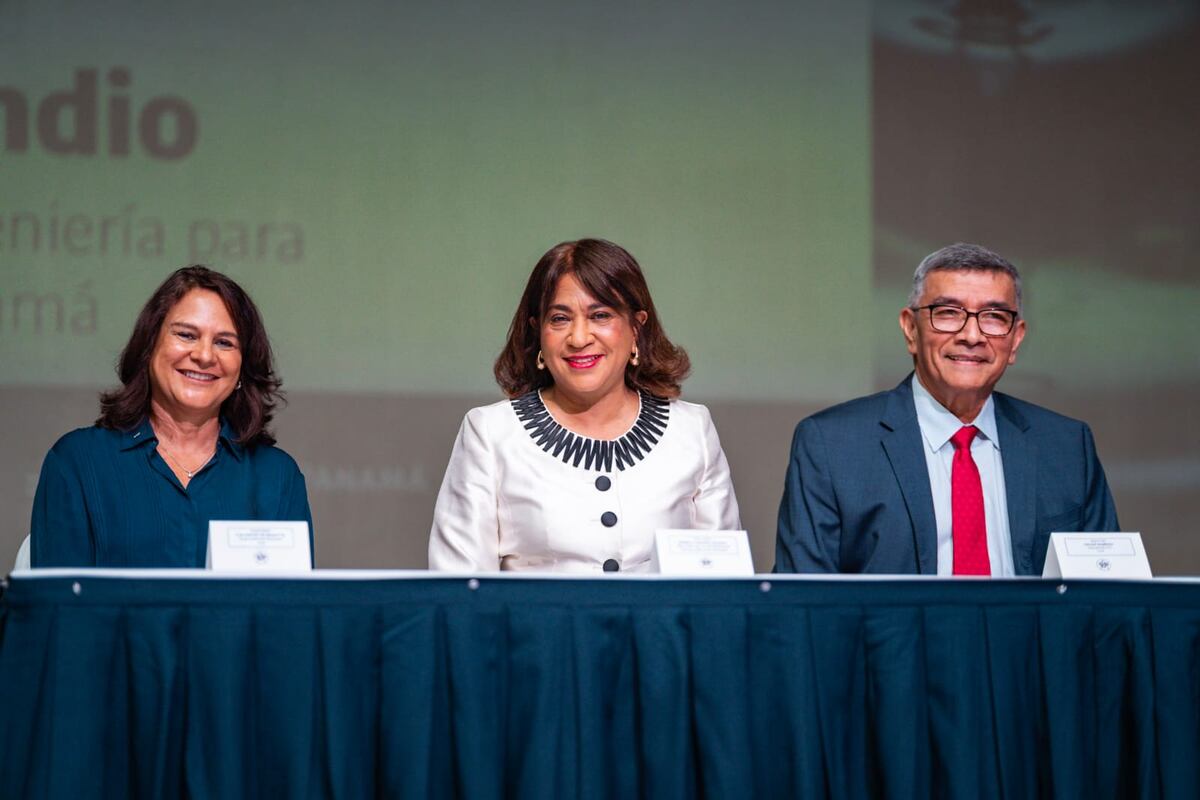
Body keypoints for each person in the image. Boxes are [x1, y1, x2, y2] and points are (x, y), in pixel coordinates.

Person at [775, 243, 1119, 575]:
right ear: (911, 329)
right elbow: (803, 606)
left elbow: (1108, 601)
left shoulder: (1067, 447)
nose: (972, 335)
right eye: (949, 313)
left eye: (994, 317)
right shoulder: (832, 445)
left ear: (1015, 340)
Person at [429, 238, 741, 572]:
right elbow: (461, 592)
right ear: (538, 332)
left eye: (600, 315)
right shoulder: (491, 433)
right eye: (560, 319)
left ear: (636, 327)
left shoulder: (691, 430)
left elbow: (721, 588)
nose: (579, 338)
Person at [31, 266, 313, 567]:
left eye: (224, 342)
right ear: (149, 347)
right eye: (186, 335)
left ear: (243, 367)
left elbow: (292, 610)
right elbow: (54, 609)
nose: (205, 356)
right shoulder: (78, 462)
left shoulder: (277, 476)